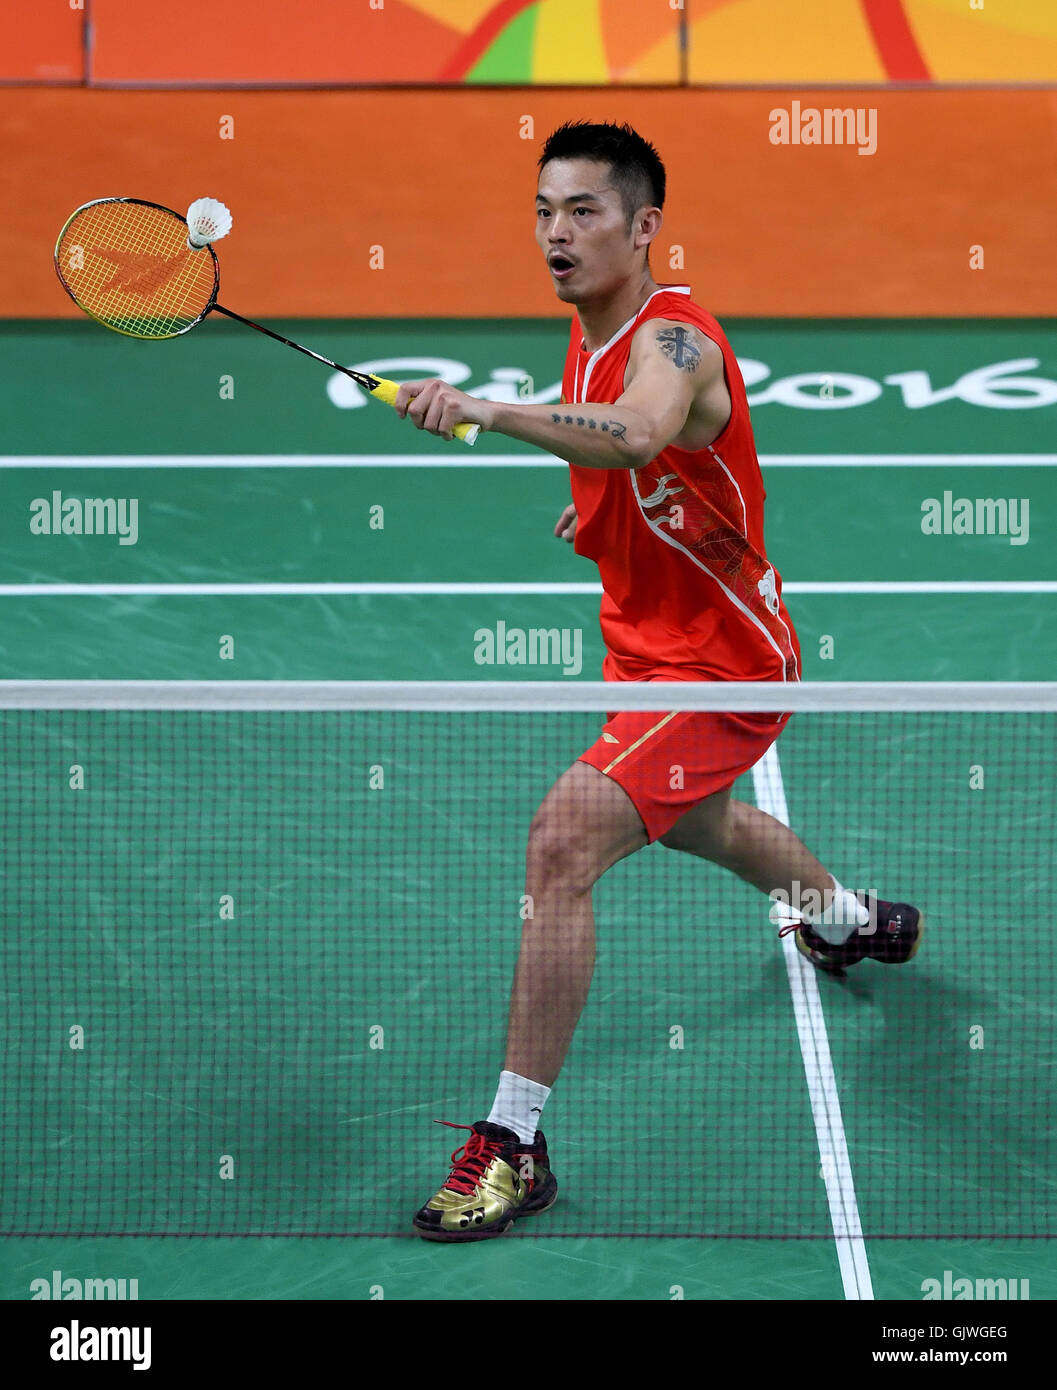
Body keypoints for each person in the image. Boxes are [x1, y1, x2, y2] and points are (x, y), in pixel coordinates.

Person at [394, 121, 922, 1242]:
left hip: (723, 665)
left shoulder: (672, 338)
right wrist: (598, 518)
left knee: (560, 840)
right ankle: (840, 917)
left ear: (643, 227)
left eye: (583, 211)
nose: (555, 232)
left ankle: (514, 1140)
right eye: (543, 210)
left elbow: (639, 434)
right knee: (704, 826)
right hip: (649, 648)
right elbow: (634, 471)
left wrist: (486, 409)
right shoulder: (591, 336)